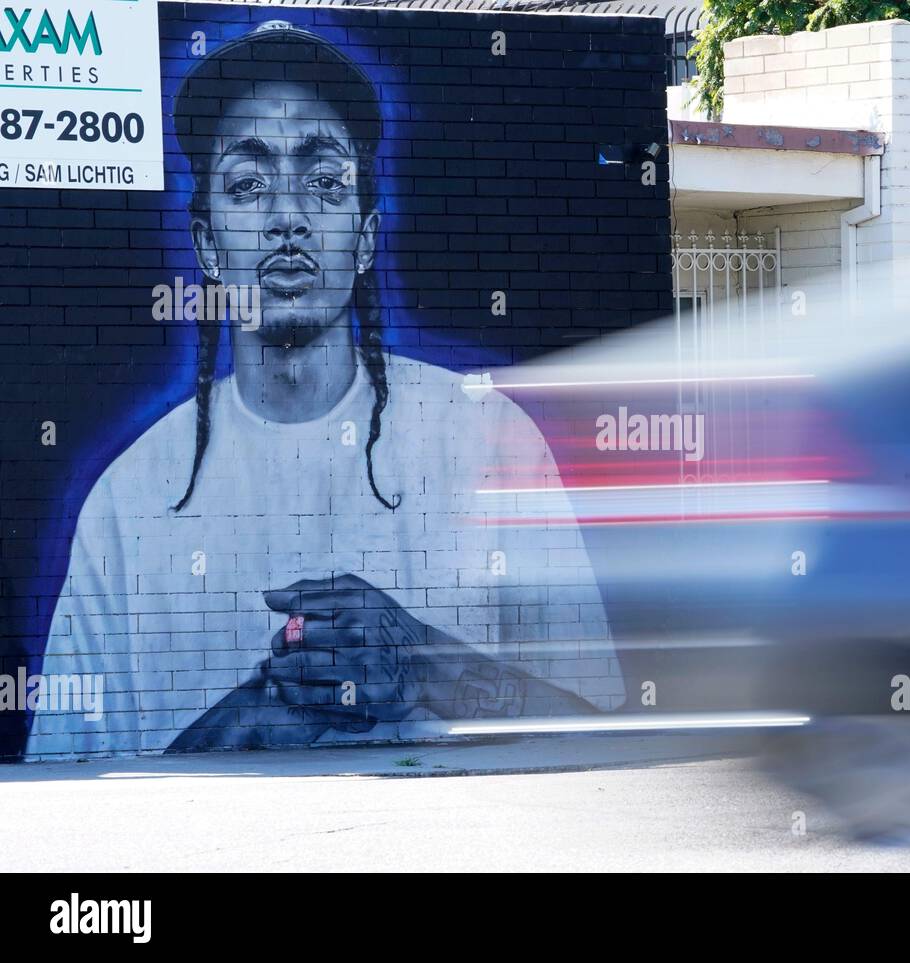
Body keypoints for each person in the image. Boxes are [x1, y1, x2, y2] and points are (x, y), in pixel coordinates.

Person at [26, 21, 625, 757]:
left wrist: (422, 663)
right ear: (209, 244)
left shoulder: (489, 437)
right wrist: (239, 726)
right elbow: (60, 790)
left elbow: (607, 745)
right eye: (248, 185)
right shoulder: (127, 502)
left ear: (366, 236)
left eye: (324, 181)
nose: (288, 219)